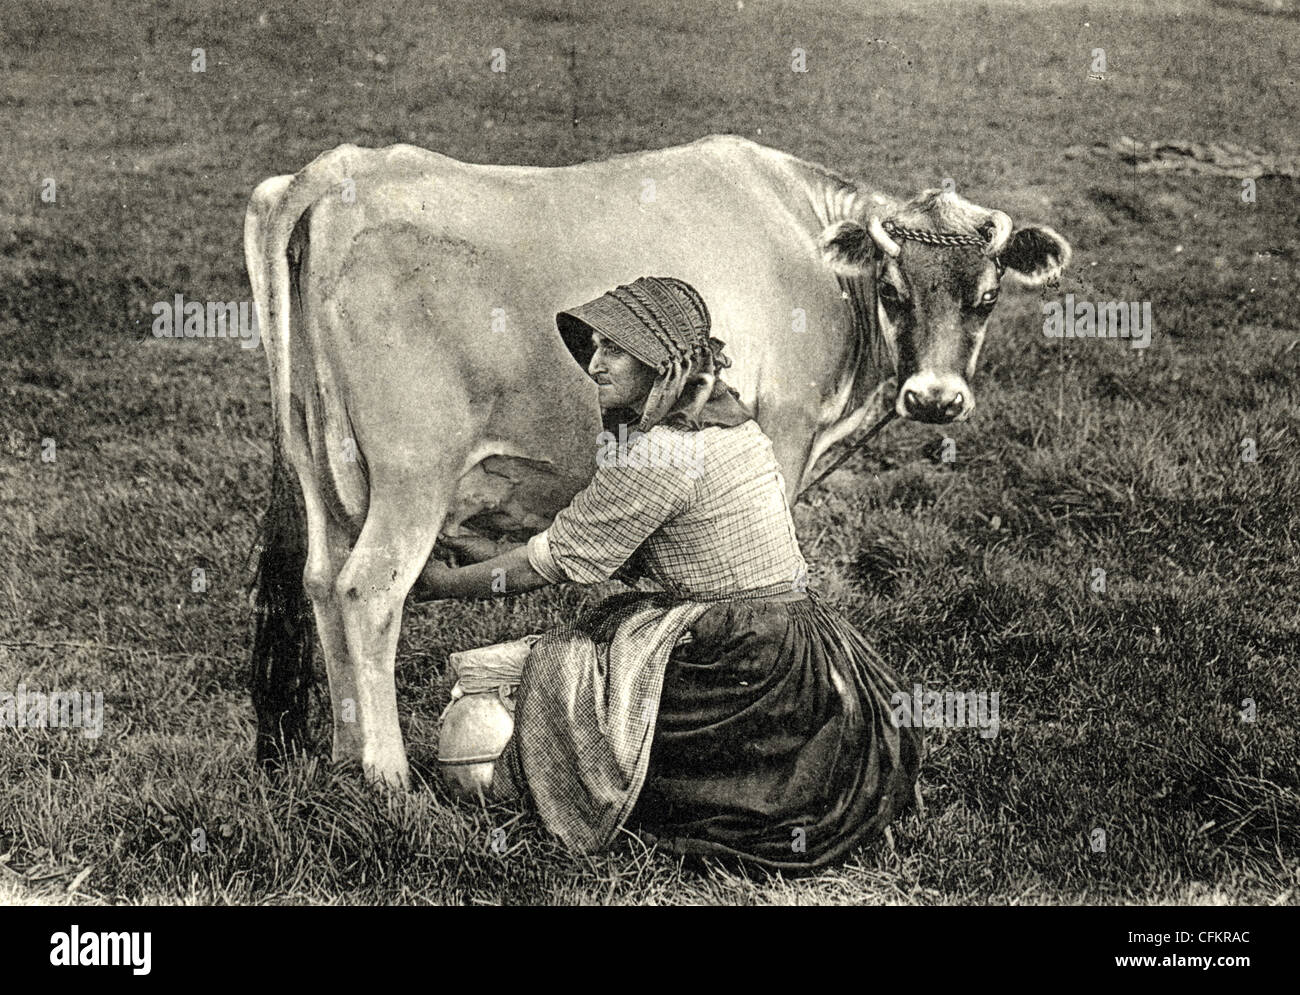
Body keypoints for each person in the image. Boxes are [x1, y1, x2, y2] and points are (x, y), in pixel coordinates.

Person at [419, 276, 921, 871]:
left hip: (741, 658)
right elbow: (601, 546)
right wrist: (478, 548)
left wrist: (439, 587)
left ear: (663, 365)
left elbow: (555, 561)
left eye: (615, 351)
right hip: (804, 647)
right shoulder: (731, 425)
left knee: (550, 689)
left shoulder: (663, 454)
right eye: (595, 348)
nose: (595, 365)